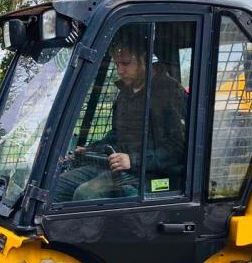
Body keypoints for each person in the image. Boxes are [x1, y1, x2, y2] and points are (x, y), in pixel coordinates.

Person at [55, 34, 187, 202]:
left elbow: (178, 148)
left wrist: (133, 160)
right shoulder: (125, 93)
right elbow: (117, 135)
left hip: (155, 175)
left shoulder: (169, 92)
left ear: (144, 59)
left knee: (86, 194)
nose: (119, 70)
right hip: (123, 167)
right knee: (57, 187)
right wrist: (89, 150)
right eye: (116, 64)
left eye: (125, 63)